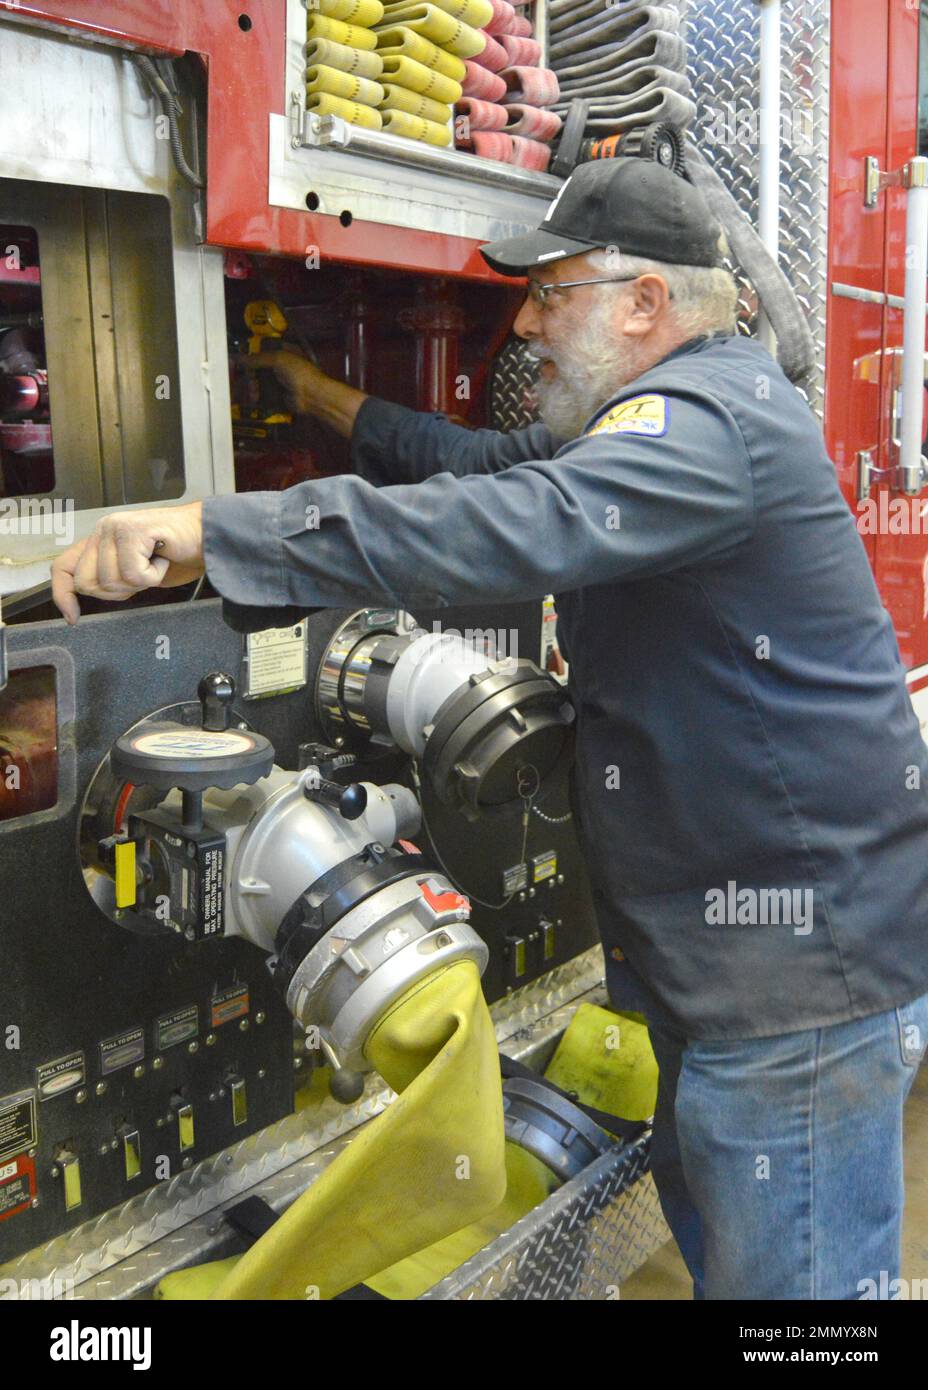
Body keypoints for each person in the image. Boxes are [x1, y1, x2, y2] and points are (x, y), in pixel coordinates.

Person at [51, 159, 928, 1300]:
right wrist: (316, 399)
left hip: (792, 995)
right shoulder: (671, 422)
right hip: (731, 978)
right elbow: (472, 468)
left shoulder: (710, 421)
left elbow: (517, 521)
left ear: (643, 302)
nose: (522, 322)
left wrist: (212, 530)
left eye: (548, 291)